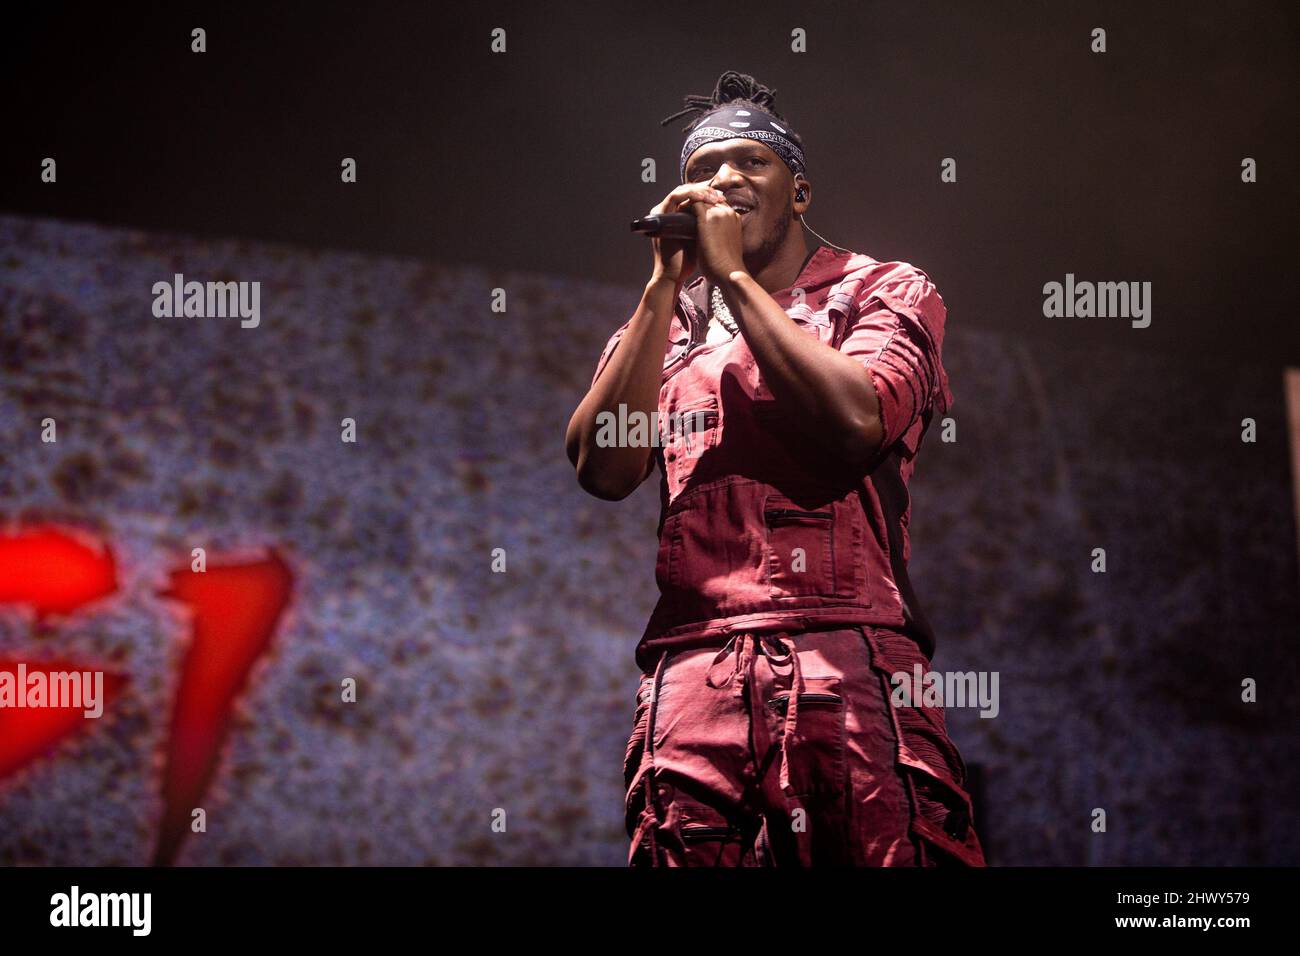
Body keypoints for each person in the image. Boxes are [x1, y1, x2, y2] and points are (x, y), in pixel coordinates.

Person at [565, 70, 987, 866]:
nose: (721, 181)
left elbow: (856, 420)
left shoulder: (881, 288)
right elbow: (603, 466)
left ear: (798, 192)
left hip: (845, 651)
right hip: (693, 662)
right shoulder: (670, 322)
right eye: (701, 170)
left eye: (750, 163)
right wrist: (663, 287)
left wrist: (729, 276)